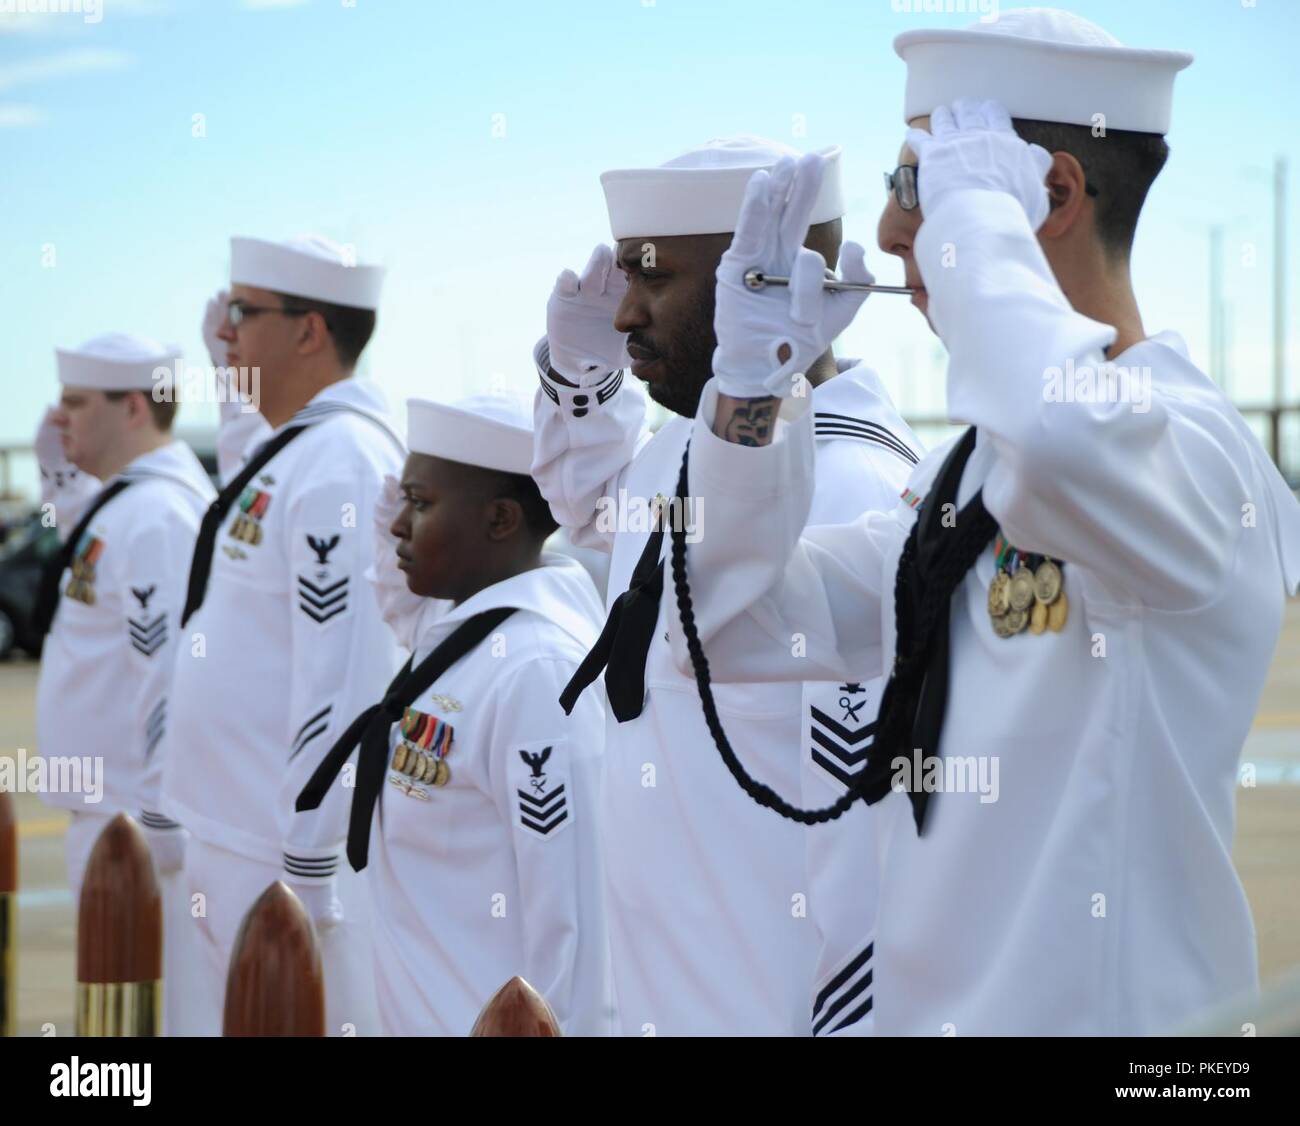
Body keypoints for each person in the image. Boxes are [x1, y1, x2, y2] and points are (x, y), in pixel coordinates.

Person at [668, 8, 1300, 1035]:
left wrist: (966, 240)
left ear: (1046, 195)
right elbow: (728, 623)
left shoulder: (1190, 451)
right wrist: (752, 387)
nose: (888, 232)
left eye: (919, 183)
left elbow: (1062, 433)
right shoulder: (969, 477)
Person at [532, 136, 921, 1035]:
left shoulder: (846, 489)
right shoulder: (685, 453)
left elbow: (867, 834)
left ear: (767, 282)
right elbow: (591, 509)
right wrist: (579, 381)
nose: (626, 310)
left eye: (653, 279)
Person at [299, 392, 612, 1035]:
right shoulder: (461, 637)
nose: (395, 524)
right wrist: (410, 497)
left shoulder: (535, 671)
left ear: (500, 519)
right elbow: (395, 595)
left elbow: (575, 926)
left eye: (419, 504)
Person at [162, 234, 403, 1035]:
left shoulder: (342, 462)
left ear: (309, 333)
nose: (224, 332)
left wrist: (310, 858)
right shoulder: (295, 450)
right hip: (233, 836)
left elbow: (343, 678)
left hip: (284, 860)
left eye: (242, 313)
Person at [33, 332, 214, 1035]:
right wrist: (61, 478)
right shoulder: (133, 504)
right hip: (113, 822)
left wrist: (161, 828)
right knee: (119, 1025)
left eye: (76, 402)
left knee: (149, 1026)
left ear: (134, 407)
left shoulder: (157, 516)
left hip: (138, 829)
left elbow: (166, 676)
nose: (59, 418)